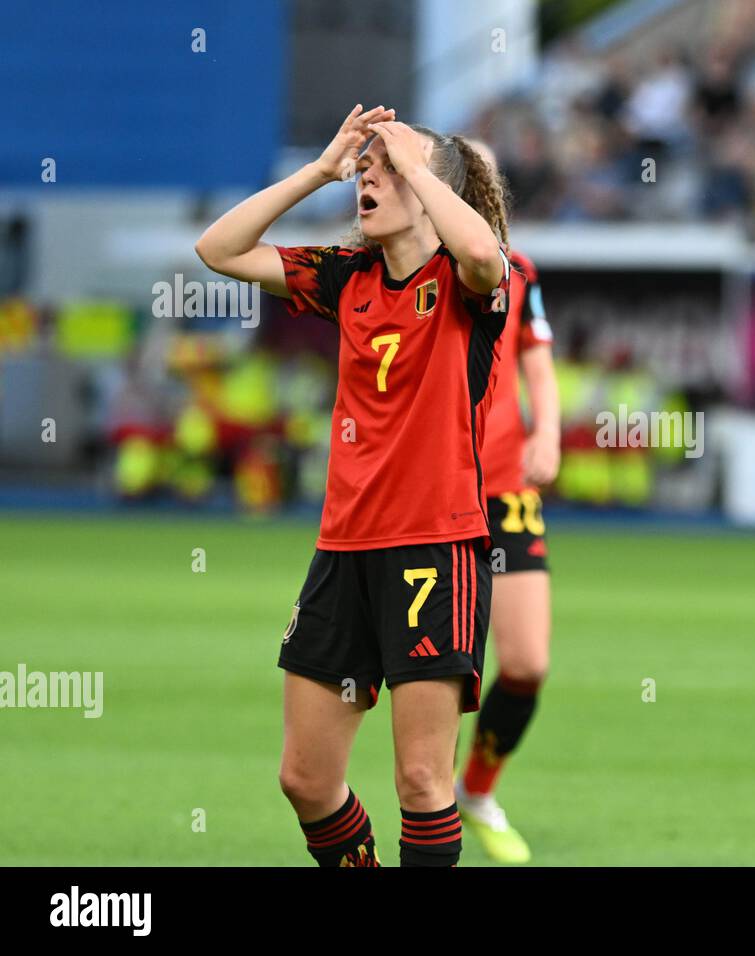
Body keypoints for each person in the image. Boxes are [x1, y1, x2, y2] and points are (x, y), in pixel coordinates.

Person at [195, 104, 511, 867]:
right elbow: (219, 249)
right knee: (304, 777)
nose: (366, 183)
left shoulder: (464, 282)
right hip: (343, 550)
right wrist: (319, 168)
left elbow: (484, 252)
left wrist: (413, 163)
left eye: (384, 172)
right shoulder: (347, 280)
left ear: (429, 188)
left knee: (421, 777)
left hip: (435, 552)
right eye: (363, 174)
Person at [454, 140, 562, 864]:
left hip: (504, 488)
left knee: (523, 663)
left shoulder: (518, 271)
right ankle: (420, 806)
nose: (486, 183)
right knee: (432, 670)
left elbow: (536, 356)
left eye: (493, 174)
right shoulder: (409, 263)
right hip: (429, 491)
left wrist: (548, 430)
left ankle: (477, 790)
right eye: (473, 172)